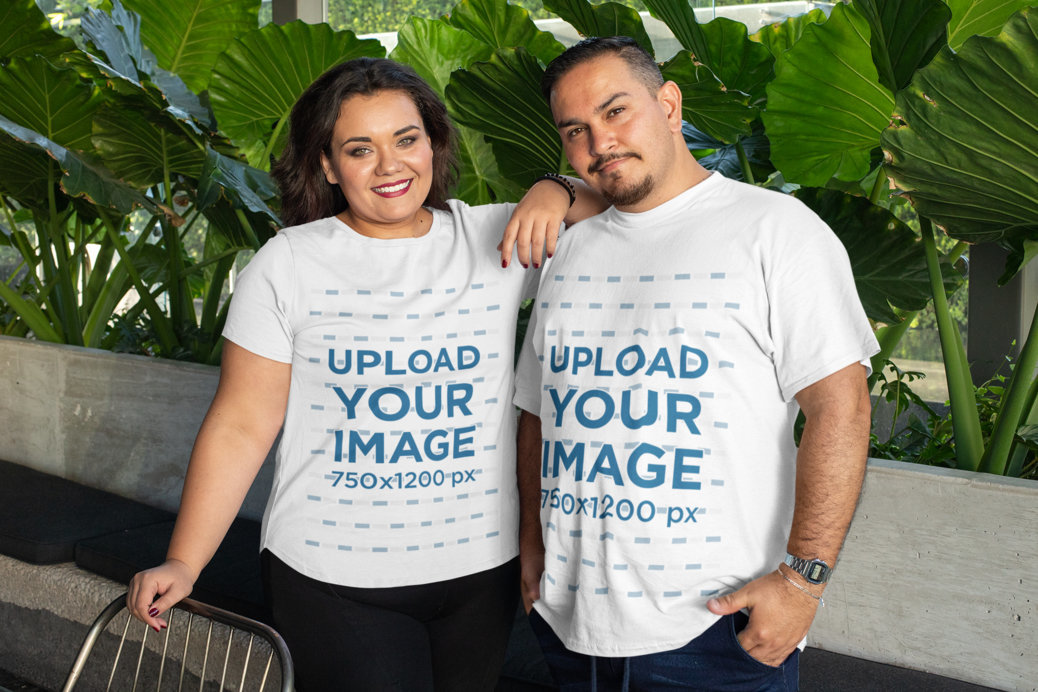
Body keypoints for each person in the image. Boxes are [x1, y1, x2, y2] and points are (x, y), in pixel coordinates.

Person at [126, 57, 605, 691]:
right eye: (360, 149)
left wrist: (557, 188)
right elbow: (243, 423)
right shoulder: (289, 263)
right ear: (327, 165)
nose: (390, 165)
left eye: (406, 139)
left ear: (432, 141)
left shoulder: (494, 235)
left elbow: (622, 213)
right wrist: (185, 561)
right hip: (333, 580)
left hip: (480, 572)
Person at [513, 36, 879, 691]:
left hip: (713, 631)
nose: (600, 142)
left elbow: (841, 406)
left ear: (670, 104)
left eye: (616, 111)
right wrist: (533, 547)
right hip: (570, 627)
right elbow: (539, 414)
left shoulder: (775, 230)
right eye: (576, 130)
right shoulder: (566, 249)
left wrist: (804, 580)